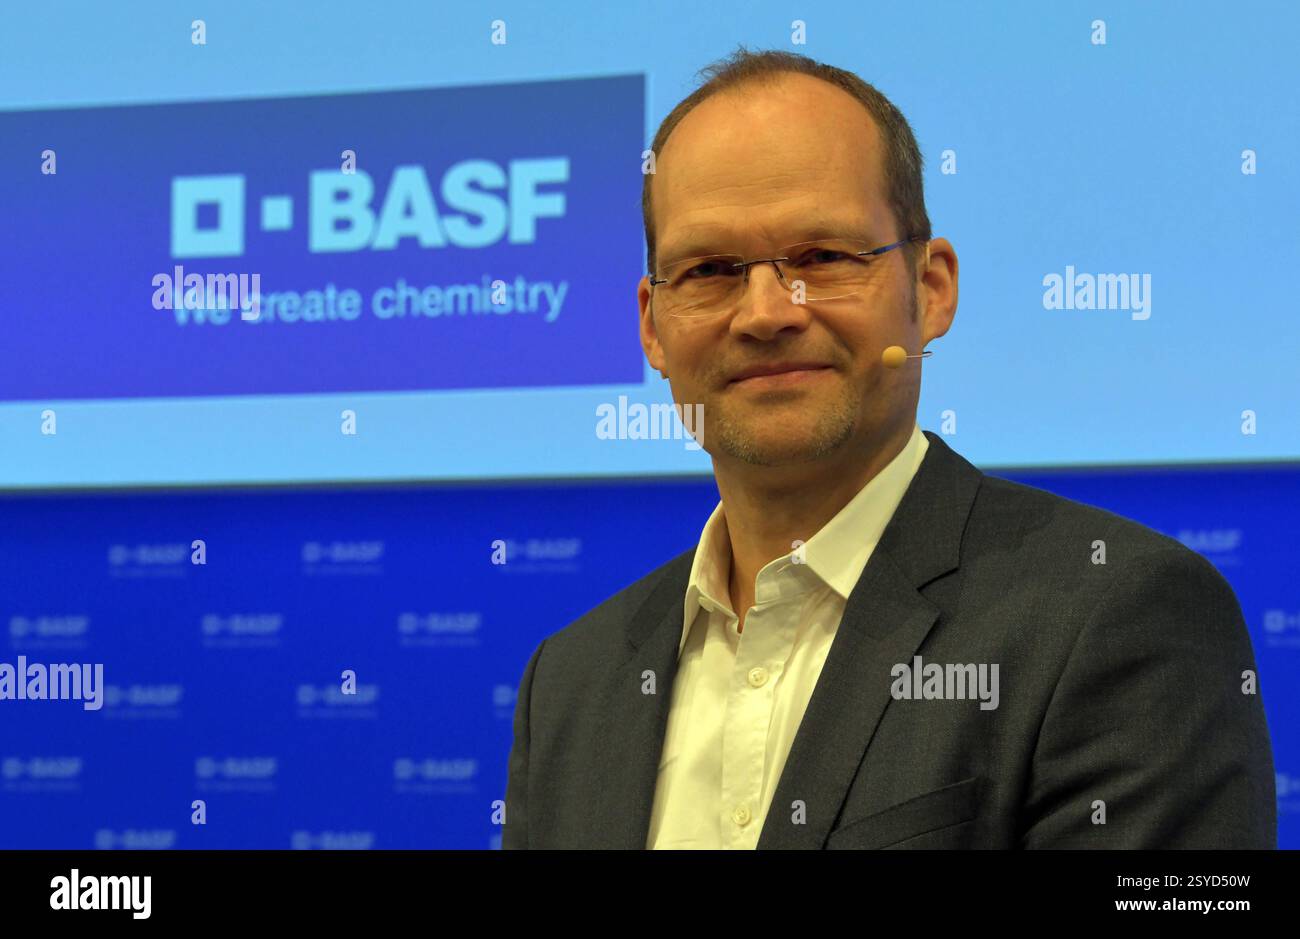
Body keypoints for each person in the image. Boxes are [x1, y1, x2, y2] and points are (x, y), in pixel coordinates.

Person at [502, 47, 1275, 849]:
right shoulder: (570, 681)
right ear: (651, 323)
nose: (766, 311)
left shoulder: (1117, 616)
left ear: (931, 288)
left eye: (823, 258)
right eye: (710, 270)